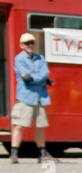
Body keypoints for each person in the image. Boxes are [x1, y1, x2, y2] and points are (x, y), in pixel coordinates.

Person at [9, 32, 54, 163]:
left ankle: (42, 153)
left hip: (40, 97)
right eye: (27, 43)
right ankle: (14, 153)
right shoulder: (19, 59)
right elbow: (26, 78)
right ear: (21, 45)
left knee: (40, 126)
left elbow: (44, 74)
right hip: (25, 97)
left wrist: (37, 78)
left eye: (32, 42)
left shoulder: (41, 58)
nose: (30, 45)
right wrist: (40, 79)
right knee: (19, 126)